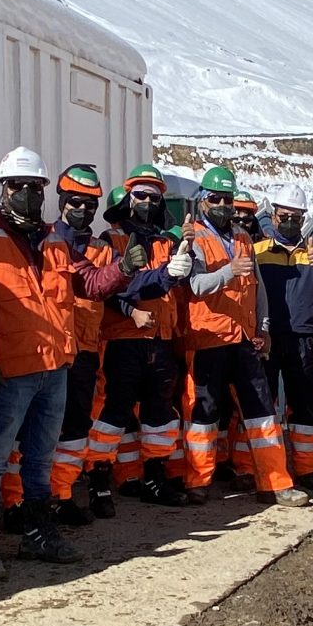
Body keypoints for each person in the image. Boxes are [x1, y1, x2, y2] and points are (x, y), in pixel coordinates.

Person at [0, 147, 120, 575]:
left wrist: (125, 270)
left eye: (35, 187)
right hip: (10, 369)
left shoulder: (54, 241)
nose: (27, 194)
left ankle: (37, 532)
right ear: (3, 189)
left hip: (55, 368)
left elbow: (90, 282)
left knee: (40, 456)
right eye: (18, 187)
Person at [177, 166, 307, 506]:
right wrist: (227, 271)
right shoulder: (194, 238)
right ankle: (197, 482)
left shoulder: (243, 238)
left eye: (228, 199)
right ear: (203, 201)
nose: (223, 205)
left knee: (262, 412)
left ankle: (275, 483)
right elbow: (194, 285)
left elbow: (258, 288)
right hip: (208, 339)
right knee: (204, 414)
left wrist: (262, 327)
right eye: (216, 199)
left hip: (244, 339)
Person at [95, 165, 189, 505]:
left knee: (158, 413)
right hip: (124, 339)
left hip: (161, 340)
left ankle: (154, 477)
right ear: (128, 198)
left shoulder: (166, 242)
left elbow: (175, 290)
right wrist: (132, 311)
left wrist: (178, 271)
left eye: (154, 196)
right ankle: (100, 481)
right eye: (140, 195)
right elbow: (108, 289)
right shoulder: (113, 239)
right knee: (114, 413)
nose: (147, 201)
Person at [46, 164, 123, 526]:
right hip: (49, 349)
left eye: (90, 204)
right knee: (35, 427)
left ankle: (61, 495)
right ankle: (17, 502)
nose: (82, 210)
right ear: (61, 200)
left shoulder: (100, 249)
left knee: (75, 426)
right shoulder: (45, 241)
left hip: (86, 351)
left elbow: (109, 290)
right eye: (75, 202)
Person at [253, 184, 313, 488]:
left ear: (303, 217)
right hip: (269, 336)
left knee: (305, 403)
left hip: (303, 337)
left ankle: (307, 469)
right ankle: (258, 469)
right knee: (264, 404)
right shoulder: (258, 252)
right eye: (283, 216)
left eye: (295, 216)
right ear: (273, 217)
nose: (288, 222)